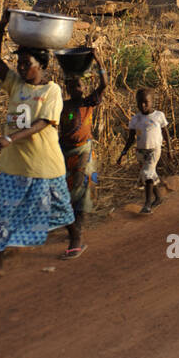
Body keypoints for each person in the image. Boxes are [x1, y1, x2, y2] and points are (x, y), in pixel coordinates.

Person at [0, 8, 79, 280]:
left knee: (61, 207)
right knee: (4, 213)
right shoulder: (15, 84)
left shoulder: (51, 91)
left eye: (26, 64)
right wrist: (2, 24)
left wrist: (9, 138)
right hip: (14, 163)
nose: (20, 68)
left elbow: (43, 123)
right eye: (19, 64)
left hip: (45, 163)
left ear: (41, 65)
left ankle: (76, 240)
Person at [58, 50, 107, 259]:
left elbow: (104, 85)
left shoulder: (88, 103)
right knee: (68, 189)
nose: (76, 89)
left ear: (84, 88)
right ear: (67, 89)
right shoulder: (64, 106)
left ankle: (78, 229)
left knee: (83, 188)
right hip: (65, 151)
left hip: (84, 151)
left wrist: (99, 62)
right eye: (72, 86)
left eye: (79, 85)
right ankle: (74, 225)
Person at [117, 88, 172, 214]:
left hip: (154, 150)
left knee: (147, 173)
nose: (142, 105)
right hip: (140, 152)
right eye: (139, 103)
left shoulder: (159, 116)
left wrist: (170, 150)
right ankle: (158, 198)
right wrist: (123, 153)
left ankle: (147, 204)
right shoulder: (135, 119)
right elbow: (131, 139)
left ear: (152, 101)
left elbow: (166, 134)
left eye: (146, 102)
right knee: (150, 175)